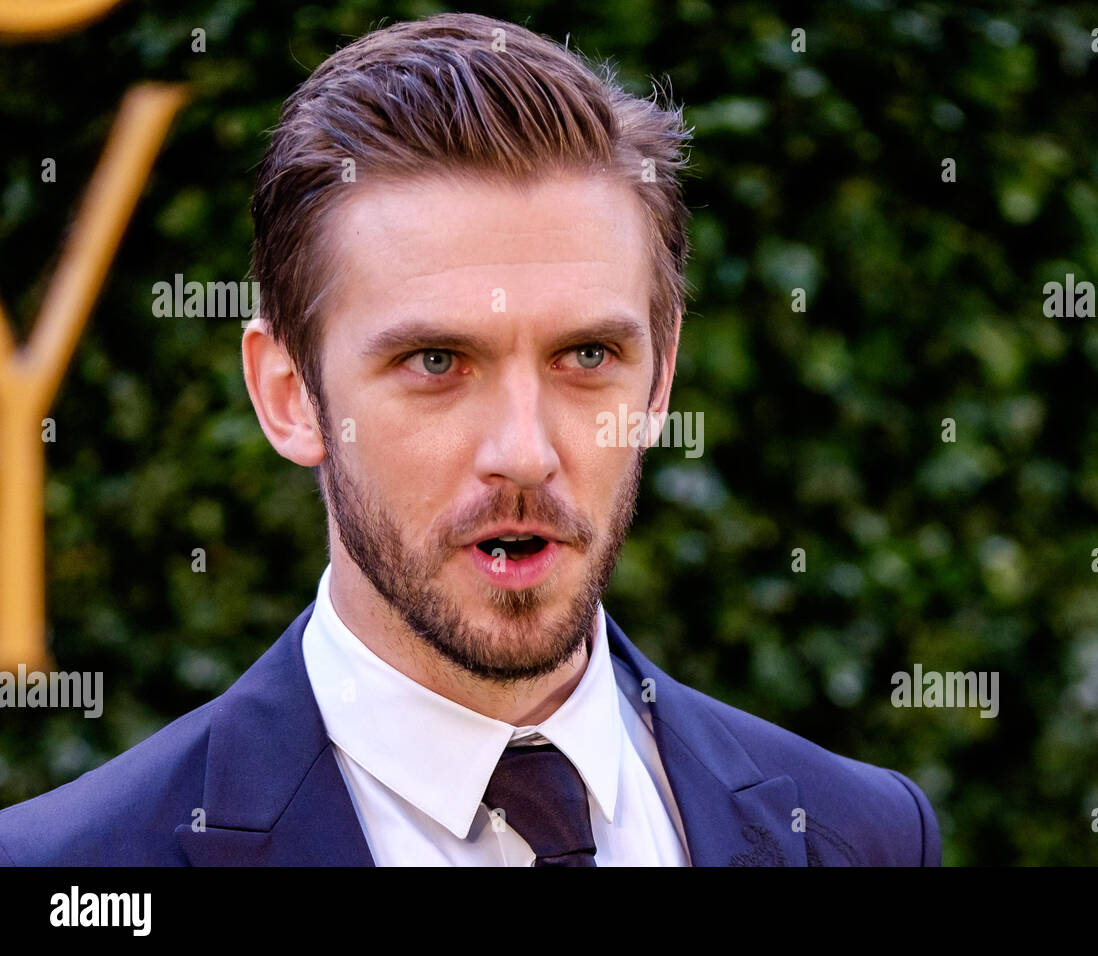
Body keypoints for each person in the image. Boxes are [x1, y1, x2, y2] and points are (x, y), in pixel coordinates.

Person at [0, 12, 939, 866]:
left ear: (659, 377)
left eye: (586, 354)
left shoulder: (869, 834)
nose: (524, 452)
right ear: (289, 395)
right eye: (438, 362)